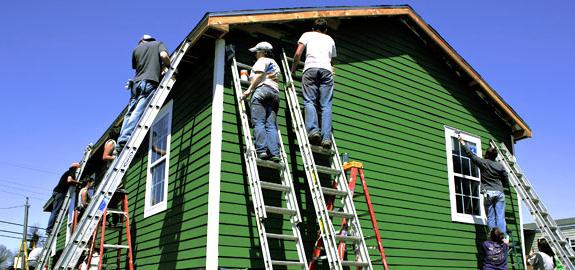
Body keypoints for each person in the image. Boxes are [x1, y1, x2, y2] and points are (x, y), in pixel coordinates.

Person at [116, 34, 170, 153]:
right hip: (149, 81)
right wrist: (170, 66)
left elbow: (137, 67)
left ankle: (121, 140)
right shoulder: (158, 44)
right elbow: (164, 55)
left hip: (135, 84)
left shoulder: (136, 49)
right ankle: (125, 139)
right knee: (139, 110)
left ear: (142, 41)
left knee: (130, 113)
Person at [290, 18, 337, 149]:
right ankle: (326, 138)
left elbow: (298, 53)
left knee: (309, 101)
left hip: (310, 69)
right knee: (326, 106)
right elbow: (332, 62)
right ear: (325, 30)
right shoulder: (330, 39)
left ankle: (313, 131)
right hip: (327, 71)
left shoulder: (307, 35)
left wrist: (293, 70)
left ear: (313, 28)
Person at [458, 136, 508, 235]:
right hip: (499, 192)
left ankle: (494, 237)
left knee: (490, 217)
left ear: (487, 155)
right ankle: (502, 237)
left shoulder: (483, 163)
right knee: (500, 217)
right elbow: (505, 179)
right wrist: (502, 185)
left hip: (488, 192)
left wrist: (462, 142)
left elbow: (471, 155)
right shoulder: (500, 166)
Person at [241, 41, 282, 162]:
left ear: (263, 52)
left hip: (262, 91)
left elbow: (259, 75)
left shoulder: (262, 61)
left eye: (257, 52)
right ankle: (275, 153)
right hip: (274, 94)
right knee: (270, 125)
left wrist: (249, 89)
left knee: (259, 123)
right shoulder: (275, 64)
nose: (255, 54)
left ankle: (262, 151)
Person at [46, 163, 81, 235]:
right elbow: (69, 180)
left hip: (57, 192)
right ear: (76, 168)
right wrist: (78, 182)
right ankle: (49, 229)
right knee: (55, 211)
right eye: (78, 168)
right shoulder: (71, 172)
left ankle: (51, 228)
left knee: (55, 211)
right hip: (60, 193)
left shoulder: (67, 172)